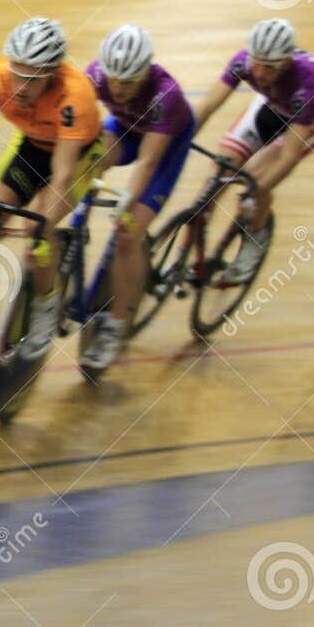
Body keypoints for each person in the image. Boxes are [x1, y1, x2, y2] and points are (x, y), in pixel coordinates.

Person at [0, 18, 106, 368]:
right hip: (30, 145)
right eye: (18, 73)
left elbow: (62, 174)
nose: (21, 85)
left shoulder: (75, 97)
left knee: (36, 230)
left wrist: (44, 223)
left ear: (53, 74)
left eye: (33, 78)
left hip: (77, 154)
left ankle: (46, 304)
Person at [81, 25, 194, 371]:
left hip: (164, 147)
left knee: (127, 235)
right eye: (114, 81)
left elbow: (147, 161)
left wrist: (126, 203)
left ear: (145, 71)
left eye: (128, 83)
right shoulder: (95, 76)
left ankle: (117, 324)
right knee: (87, 159)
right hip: (126, 129)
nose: (118, 88)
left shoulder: (166, 96)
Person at [188, 18, 314, 283]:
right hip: (269, 108)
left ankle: (256, 235)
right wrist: (178, 141)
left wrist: (257, 189)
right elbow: (206, 106)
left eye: (270, 67)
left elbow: (287, 157)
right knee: (215, 178)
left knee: (253, 184)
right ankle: (188, 257)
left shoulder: (311, 81)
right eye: (257, 64)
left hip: (303, 127)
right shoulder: (244, 60)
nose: (260, 73)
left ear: (286, 62)